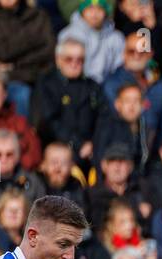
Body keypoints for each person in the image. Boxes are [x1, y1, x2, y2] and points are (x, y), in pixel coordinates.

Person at [32, 38, 109, 166]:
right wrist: (78, 144)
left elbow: (105, 118)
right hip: (57, 150)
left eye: (80, 60)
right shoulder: (46, 84)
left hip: (91, 150)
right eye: (69, 59)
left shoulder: (92, 86)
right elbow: (48, 122)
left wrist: (94, 144)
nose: (75, 63)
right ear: (58, 59)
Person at [0, 0, 55, 120]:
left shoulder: (39, 15)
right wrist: (34, 38)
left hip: (38, 74)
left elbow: (48, 51)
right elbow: (2, 52)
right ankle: (22, 135)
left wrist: (15, 64)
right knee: (21, 94)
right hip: (9, 79)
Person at [58, 0, 124, 85]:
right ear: (82, 11)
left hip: (106, 85)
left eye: (99, 9)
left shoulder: (116, 38)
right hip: (77, 83)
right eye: (90, 9)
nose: (95, 13)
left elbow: (118, 66)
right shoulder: (68, 35)